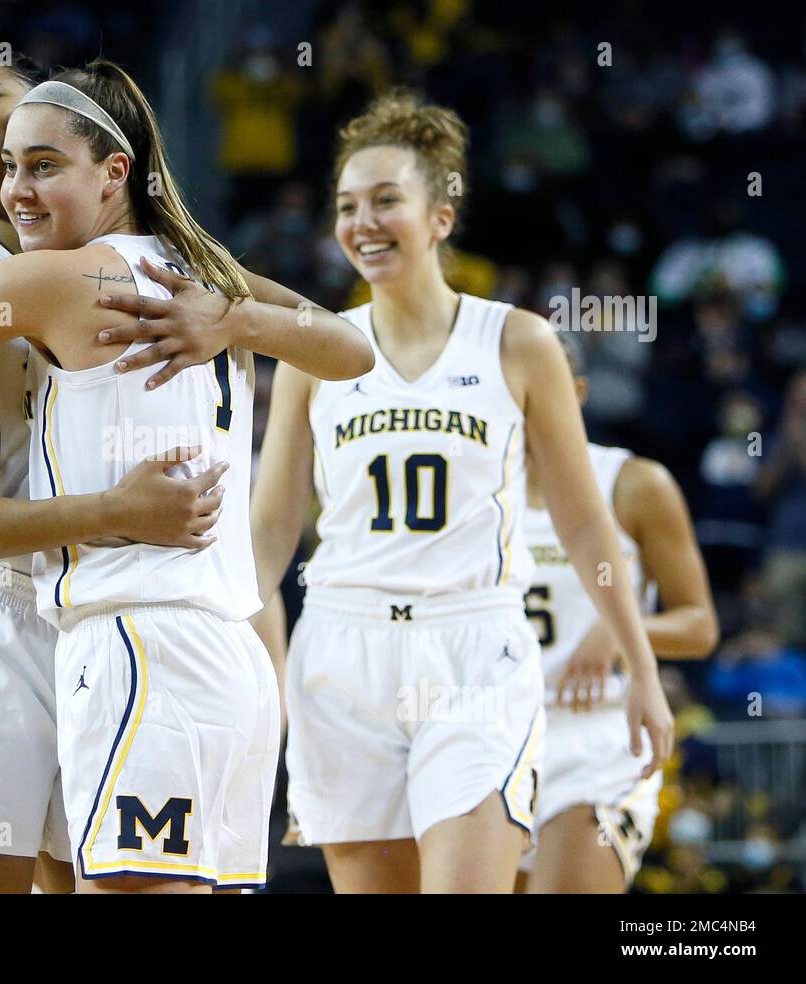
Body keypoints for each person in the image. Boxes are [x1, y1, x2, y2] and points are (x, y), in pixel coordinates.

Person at [0, 60, 375, 892]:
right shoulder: (168, 265)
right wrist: (113, 504)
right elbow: (348, 346)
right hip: (10, 612)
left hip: (116, 620)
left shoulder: (93, 273)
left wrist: (234, 320)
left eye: (16, 139)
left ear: (105, 160)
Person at [250, 90, 674, 893]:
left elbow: (588, 527)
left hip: (473, 648)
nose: (362, 223)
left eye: (385, 202)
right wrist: (231, 654)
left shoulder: (517, 340)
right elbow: (270, 534)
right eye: (346, 206)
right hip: (341, 649)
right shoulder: (309, 353)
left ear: (440, 217)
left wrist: (641, 665)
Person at [518, 343, 719, 893]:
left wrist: (621, 627)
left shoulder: (634, 484)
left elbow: (699, 625)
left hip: (596, 739)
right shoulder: (468, 491)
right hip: (490, 732)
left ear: (576, 393)